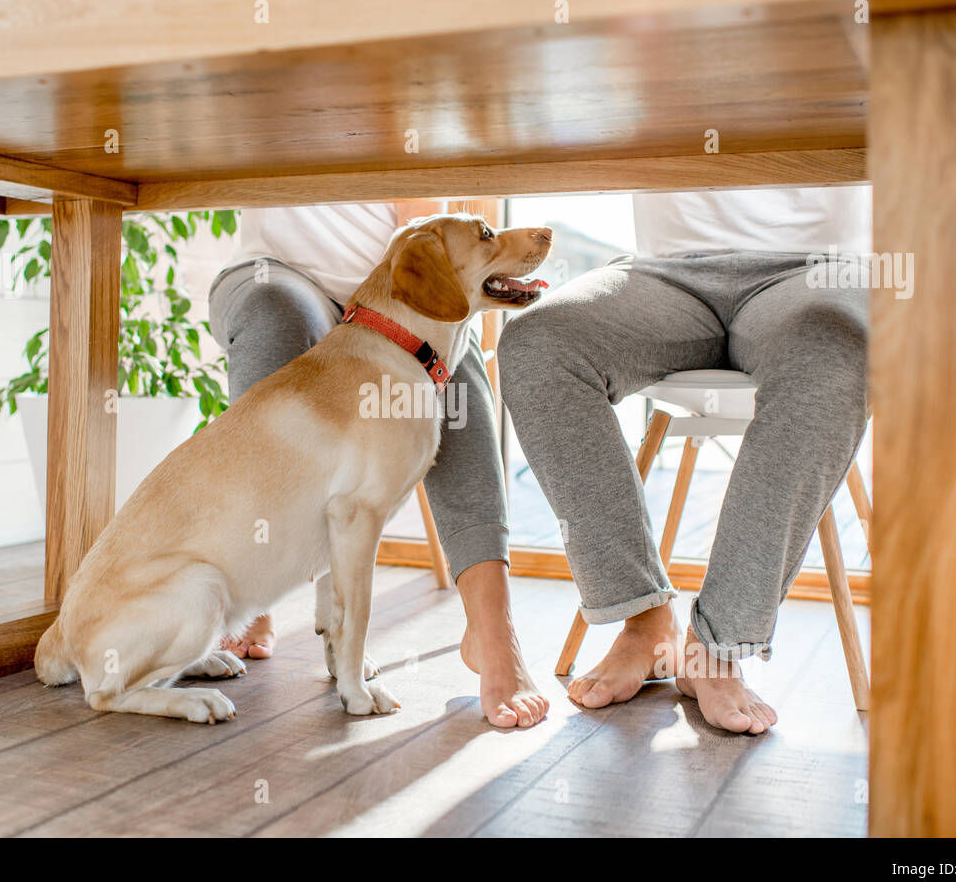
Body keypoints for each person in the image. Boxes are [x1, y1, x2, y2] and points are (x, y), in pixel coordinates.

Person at [498, 187, 871, 734]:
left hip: (816, 273)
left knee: (836, 350)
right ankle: (645, 621)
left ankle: (717, 647)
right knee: (537, 344)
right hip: (664, 276)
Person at [207, 201, 549, 728]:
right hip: (272, 270)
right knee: (278, 310)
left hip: (396, 280)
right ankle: (252, 585)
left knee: (451, 371)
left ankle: (491, 631)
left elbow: (423, 220)